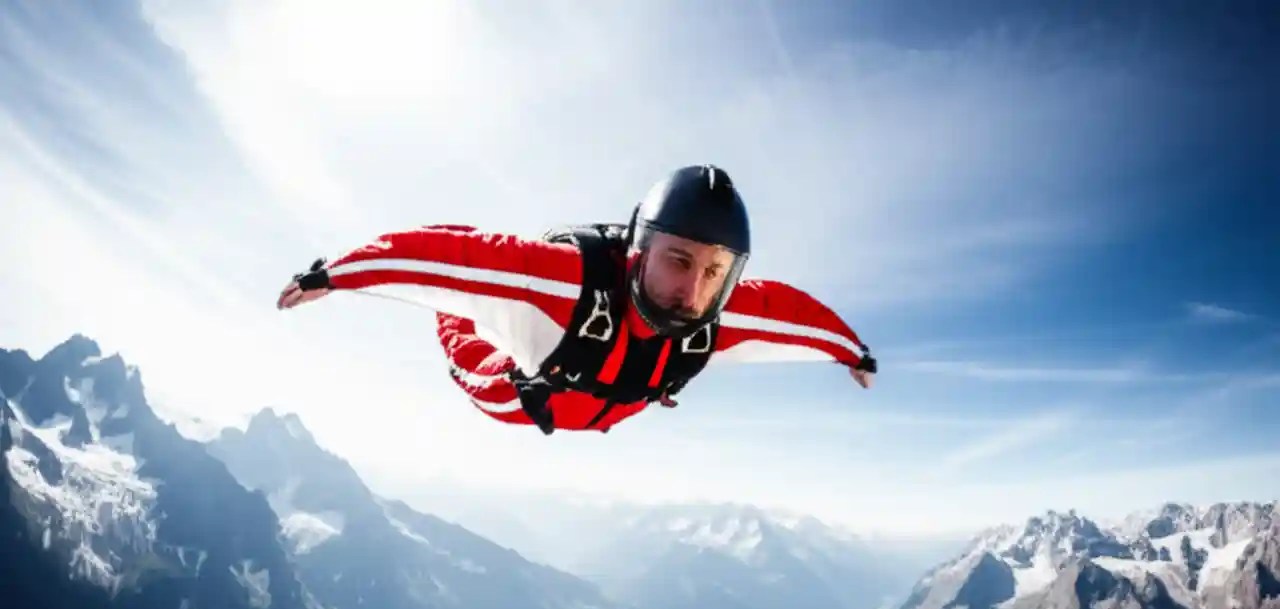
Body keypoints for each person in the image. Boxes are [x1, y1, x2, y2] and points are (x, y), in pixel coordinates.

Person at [276, 164, 877, 435]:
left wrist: (852, 352)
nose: (692, 291)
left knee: (488, 284)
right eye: (679, 260)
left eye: (715, 272)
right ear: (641, 249)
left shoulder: (716, 314)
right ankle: (477, 323)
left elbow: (791, 316)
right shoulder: (563, 284)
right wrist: (333, 274)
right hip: (523, 391)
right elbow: (448, 258)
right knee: (470, 316)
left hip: (613, 401)